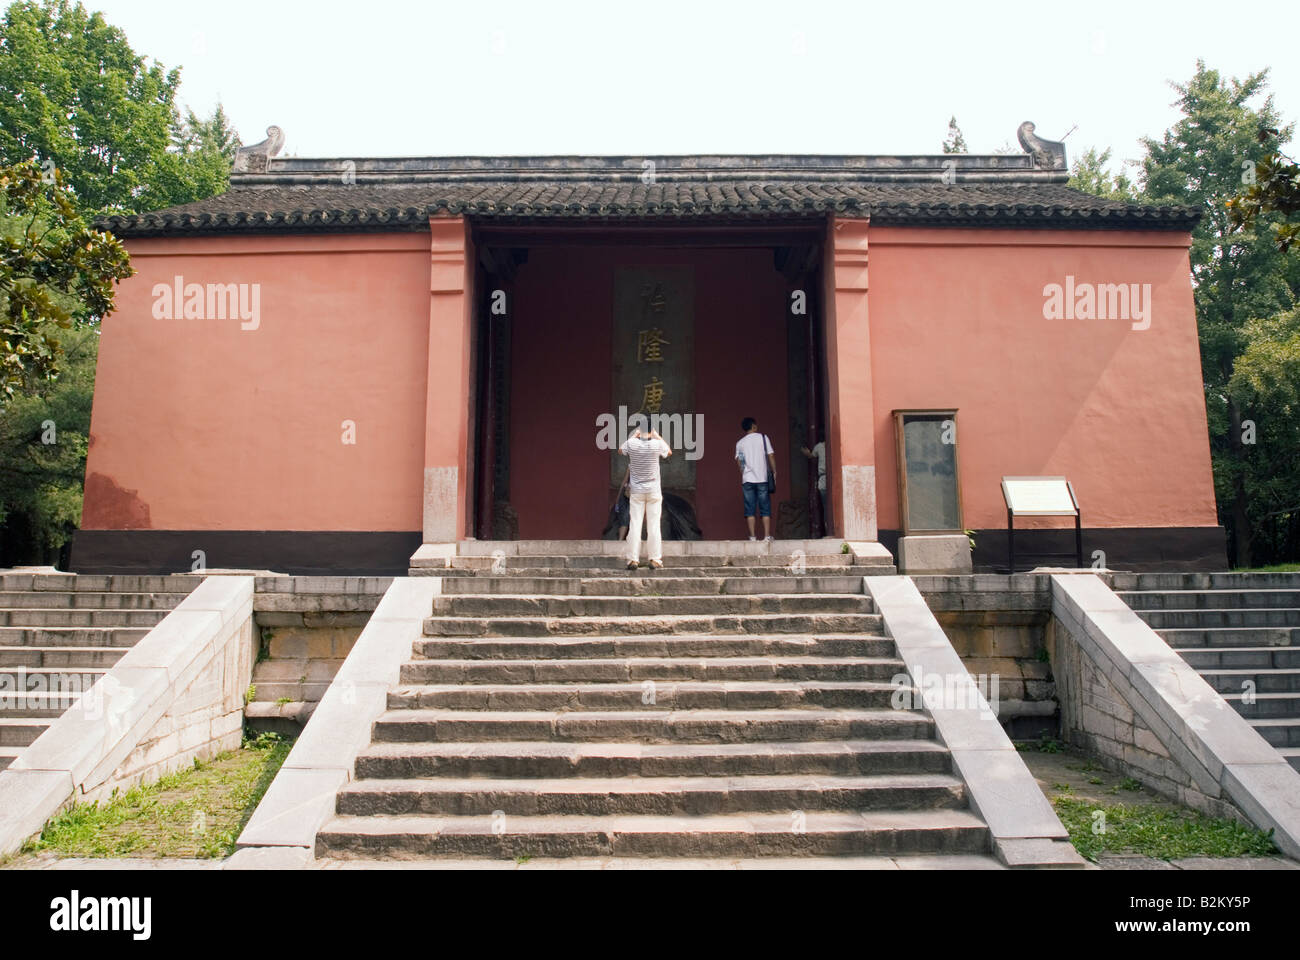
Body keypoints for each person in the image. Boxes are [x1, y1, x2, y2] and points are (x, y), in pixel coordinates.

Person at [619, 423, 673, 569]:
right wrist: (656, 435)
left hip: (636, 491)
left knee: (635, 525)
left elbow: (620, 450)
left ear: (640, 430)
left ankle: (632, 560)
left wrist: (634, 436)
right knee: (654, 526)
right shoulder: (656, 444)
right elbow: (669, 452)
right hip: (653, 491)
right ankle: (655, 559)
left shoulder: (631, 443)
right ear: (651, 430)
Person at [735, 416, 775, 541]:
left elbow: (739, 461)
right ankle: (767, 536)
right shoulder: (763, 438)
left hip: (747, 479)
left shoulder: (740, 443)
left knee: (750, 509)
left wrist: (744, 472)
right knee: (765, 508)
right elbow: (771, 455)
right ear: (753, 426)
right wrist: (774, 470)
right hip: (762, 478)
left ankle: (752, 537)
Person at [801, 434, 828, 535]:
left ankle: (827, 530)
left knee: (826, 506)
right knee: (827, 506)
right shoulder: (820, 446)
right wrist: (808, 453)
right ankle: (828, 530)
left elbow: (811, 455)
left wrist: (807, 453)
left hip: (824, 478)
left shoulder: (819, 446)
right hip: (824, 478)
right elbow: (811, 455)